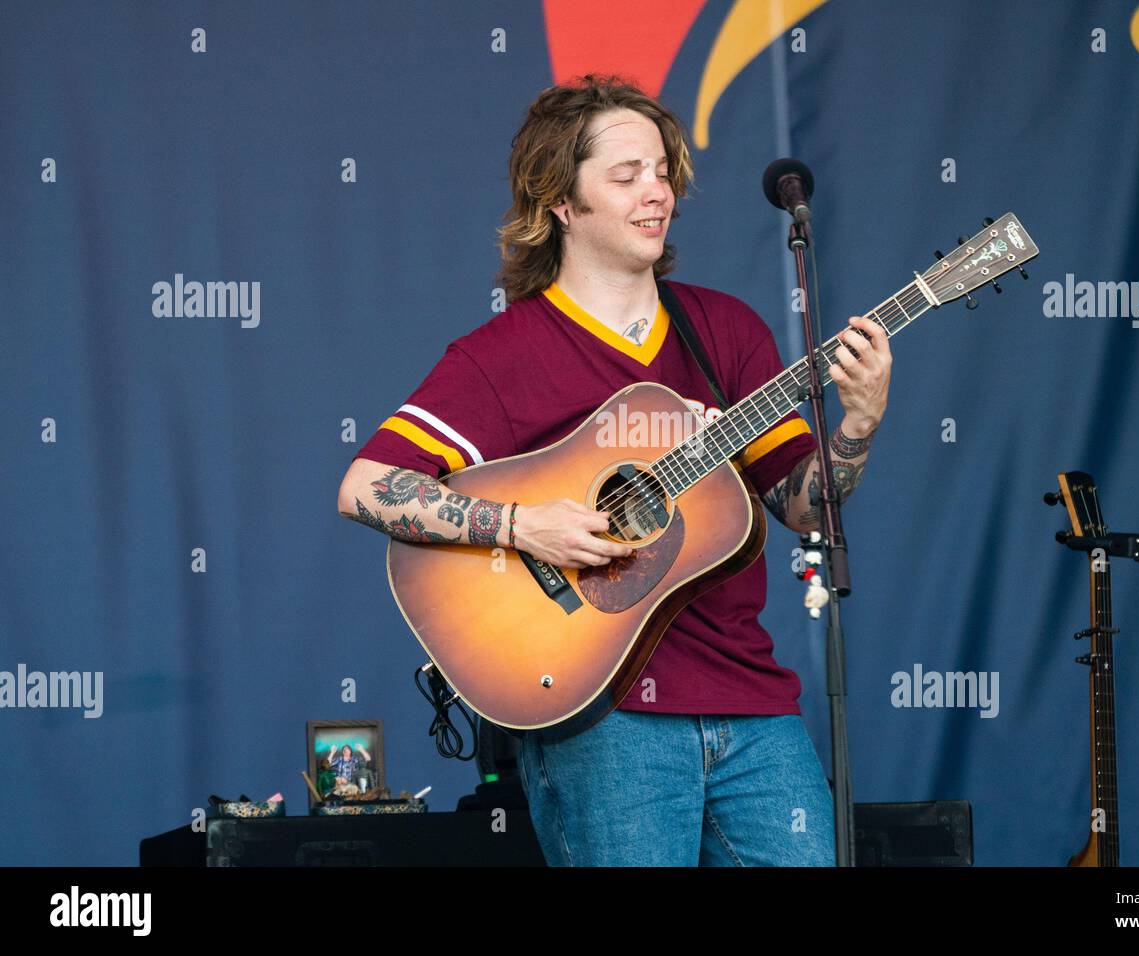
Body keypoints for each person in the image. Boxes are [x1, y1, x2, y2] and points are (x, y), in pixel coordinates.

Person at [336, 76, 891, 866]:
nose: (656, 193)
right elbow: (365, 486)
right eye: (625, 176)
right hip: (604, 716)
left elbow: (804, 507)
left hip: (751, 704)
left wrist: (859, 425)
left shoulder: (723, 329)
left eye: (662, 172)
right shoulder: (503, 356)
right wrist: (526, 524)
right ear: (561, 200)